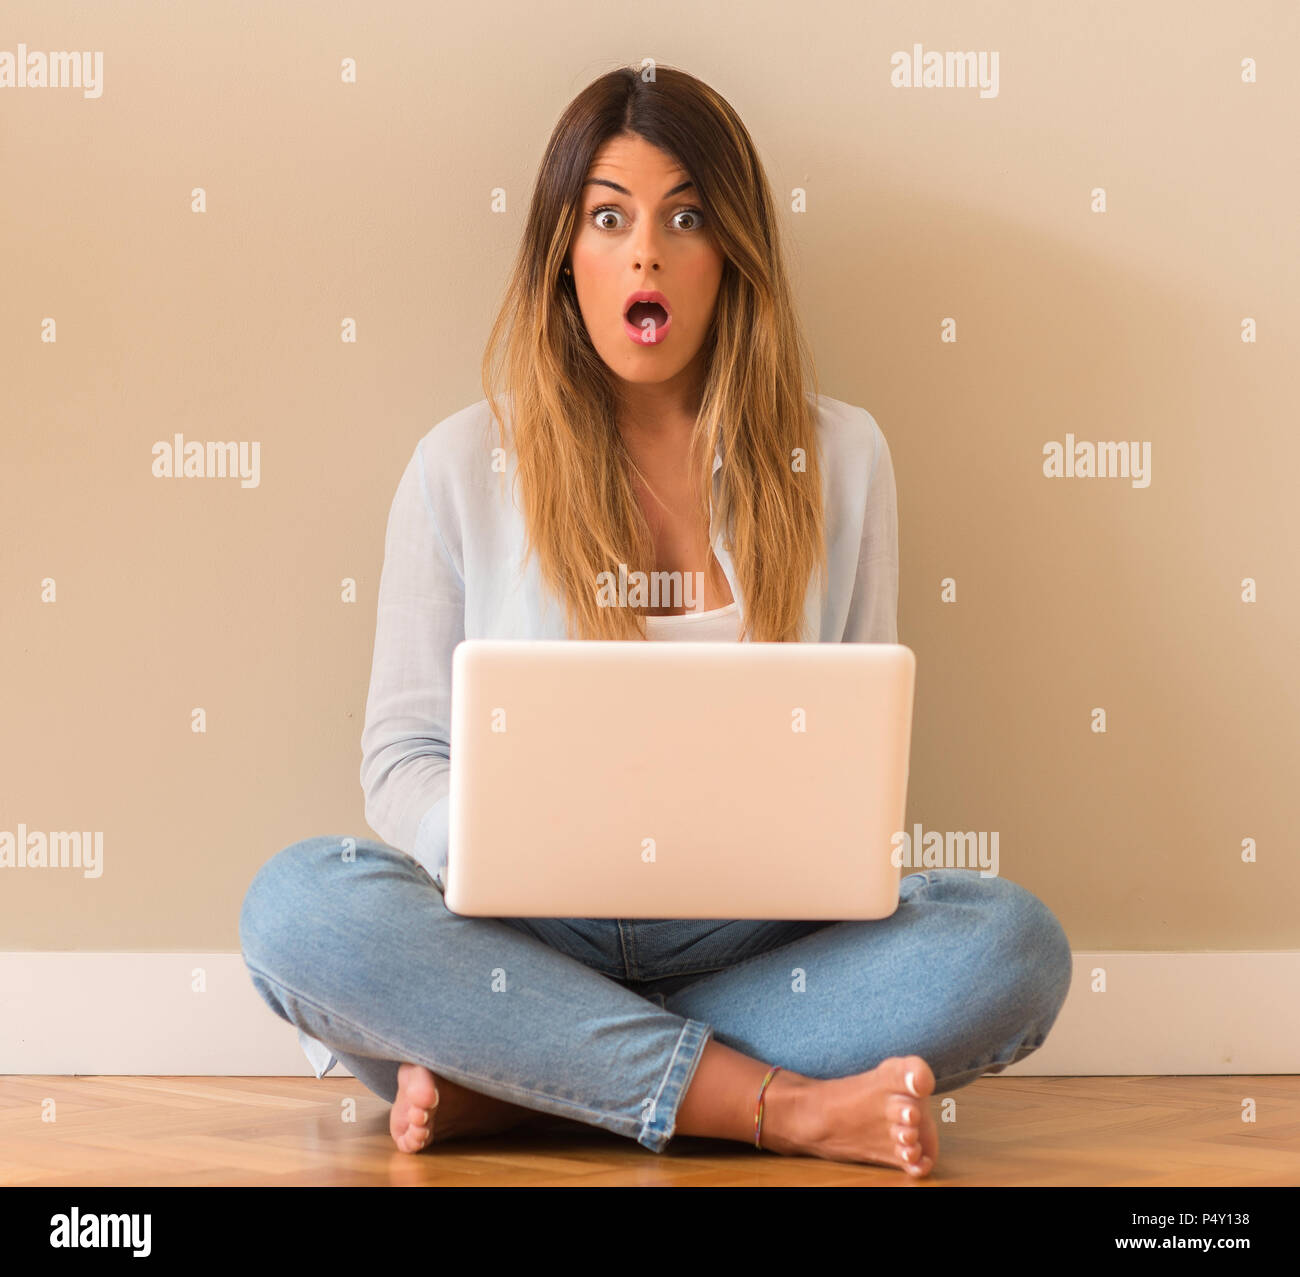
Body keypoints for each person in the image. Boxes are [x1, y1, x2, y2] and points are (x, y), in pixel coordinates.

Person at [238, 64, 1072, 1177]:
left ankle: (531, 1082)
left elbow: (860, 744)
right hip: (521, 939)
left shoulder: (844, 458)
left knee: (1012, 943)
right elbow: (399, 757)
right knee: (301, 904)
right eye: (608, 217)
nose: (646, 254)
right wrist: (491, 842)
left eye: (685, 217)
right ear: (562, 257)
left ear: (731, 253)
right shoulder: (458, 466)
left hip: (759, 945)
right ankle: (772, 1103)